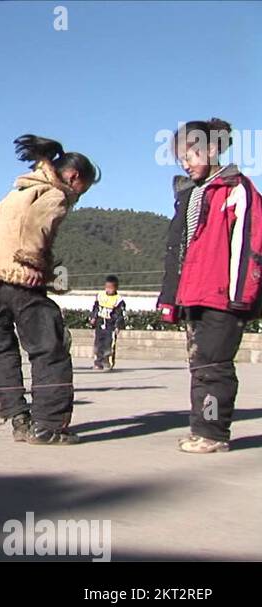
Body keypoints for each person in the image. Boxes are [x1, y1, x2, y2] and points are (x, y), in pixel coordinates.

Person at [0, 135, 100, 445]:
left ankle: (18, 419)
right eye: (83, 190)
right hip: (20, 279)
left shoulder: (14, 194)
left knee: (0, 352)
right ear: (74, 177)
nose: (78, 197)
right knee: (49, 346)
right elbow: (38, 223)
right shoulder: (55, 194)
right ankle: (49, 425)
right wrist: (34, 263)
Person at [158, 118, 262, 454]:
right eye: (179, 158)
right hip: (195, 295)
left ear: (212, 149)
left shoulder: (237, 189)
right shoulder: (190, 194)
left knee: (214, 368)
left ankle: (214, 434)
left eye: (189, 154)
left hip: (223, 297)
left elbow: (250, 246)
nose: (184, 163)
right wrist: (171, 298)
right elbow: (179, 250)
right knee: (200, 366)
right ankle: (202, 429)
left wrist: (239, 296)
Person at [89, 275, 126, 370]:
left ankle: (107, 361)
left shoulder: (118, 299)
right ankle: (98, 362)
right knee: (98, 343)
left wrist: (118, 325)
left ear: (116, 288)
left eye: (111, 288)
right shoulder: (100, 296)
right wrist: (93, 317)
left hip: (110, 324)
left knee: (109, 343)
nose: (108, 290)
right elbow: (96, 308)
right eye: (107, 287)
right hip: (100, 322)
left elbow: (120, 314)